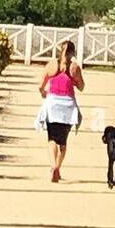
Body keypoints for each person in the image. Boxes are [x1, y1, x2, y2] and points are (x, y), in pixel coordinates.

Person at [38, 40, 84, 182]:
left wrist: (44, 94)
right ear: (72, 53)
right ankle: (58, 167)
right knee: (63, 141)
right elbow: (82, 87)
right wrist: (75, 82)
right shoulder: (74, 68)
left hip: (53, 104)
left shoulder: (52, 65)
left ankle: (53, 166)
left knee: (52, 138)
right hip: (68, 107)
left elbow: (41, 86)